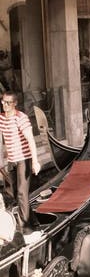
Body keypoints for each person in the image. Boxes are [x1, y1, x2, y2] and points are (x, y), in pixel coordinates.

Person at [0, 92, 41, 235]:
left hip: (24, 159)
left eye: (8, 102)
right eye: (3, 102)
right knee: (14, 192)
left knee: (22, 194)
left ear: (15, 103)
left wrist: (35, 162)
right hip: (12, 160)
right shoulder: (1, 119)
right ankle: (34, 221)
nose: (5, 105)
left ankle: (26, 230)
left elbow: (31, 140)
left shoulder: (21, 118)